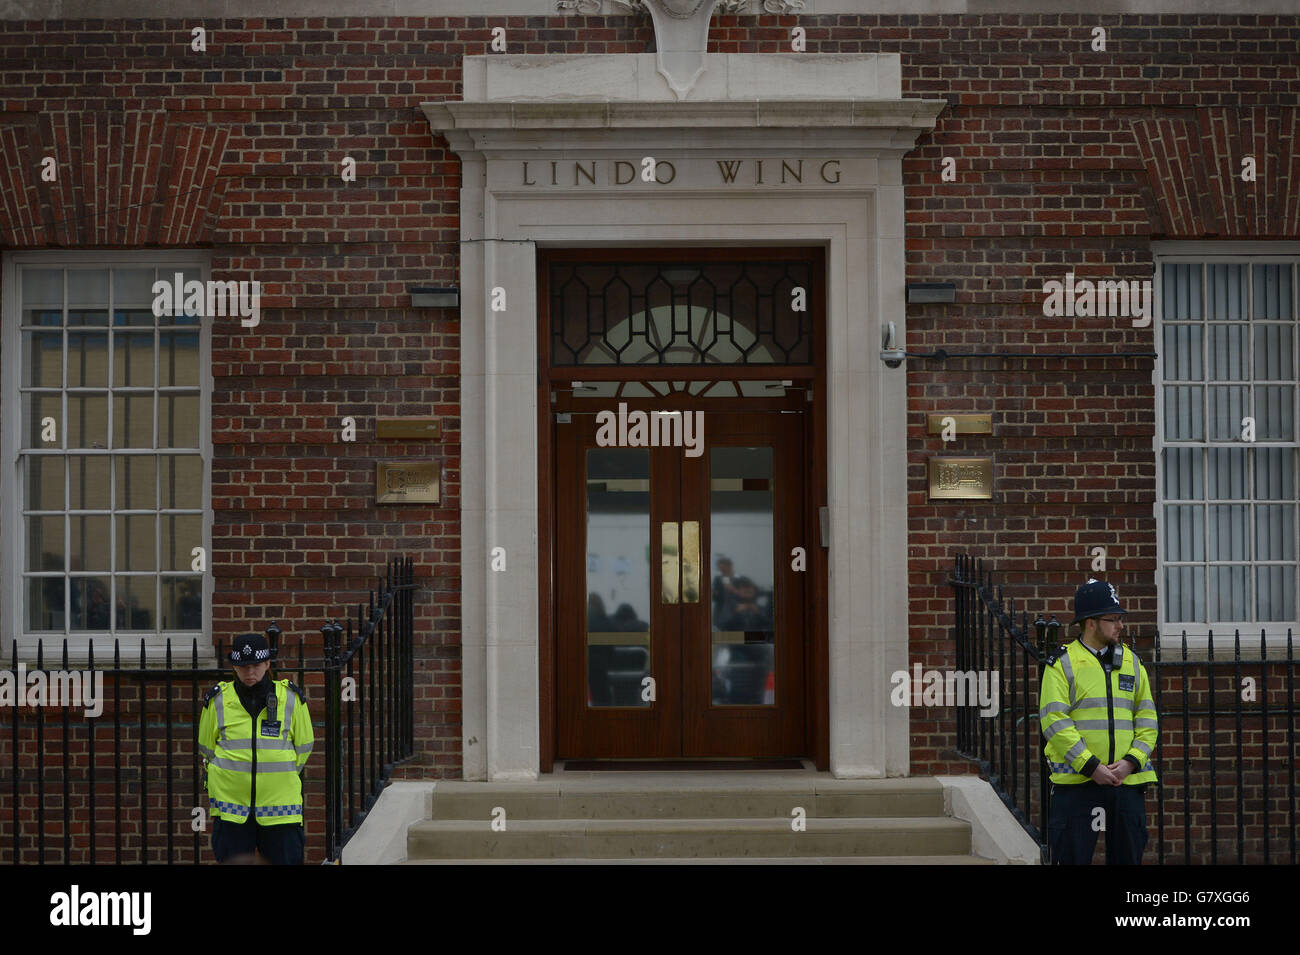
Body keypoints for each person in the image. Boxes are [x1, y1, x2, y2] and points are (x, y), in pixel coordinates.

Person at [1039, 579, 1158, 865]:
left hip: (1127, 784)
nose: (1120, 625)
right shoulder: (1062, 664)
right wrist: (1091, 767)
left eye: (1121, 619)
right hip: (1078, 785)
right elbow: (1054, 721)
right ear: (1090, 622)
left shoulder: (1132, 661)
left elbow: (1148, 717)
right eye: (1113, 619)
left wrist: (1131, 761)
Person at [197, 632, 313, 864]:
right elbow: (207, 750)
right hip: (232, 811)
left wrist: (276, 777)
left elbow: (304, 748)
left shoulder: (290, 698)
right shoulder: (217, 700)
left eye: (256, 665)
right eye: (243, 667)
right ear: (234, 666)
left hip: (281, 811)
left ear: (268, 663)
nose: (250, 672)